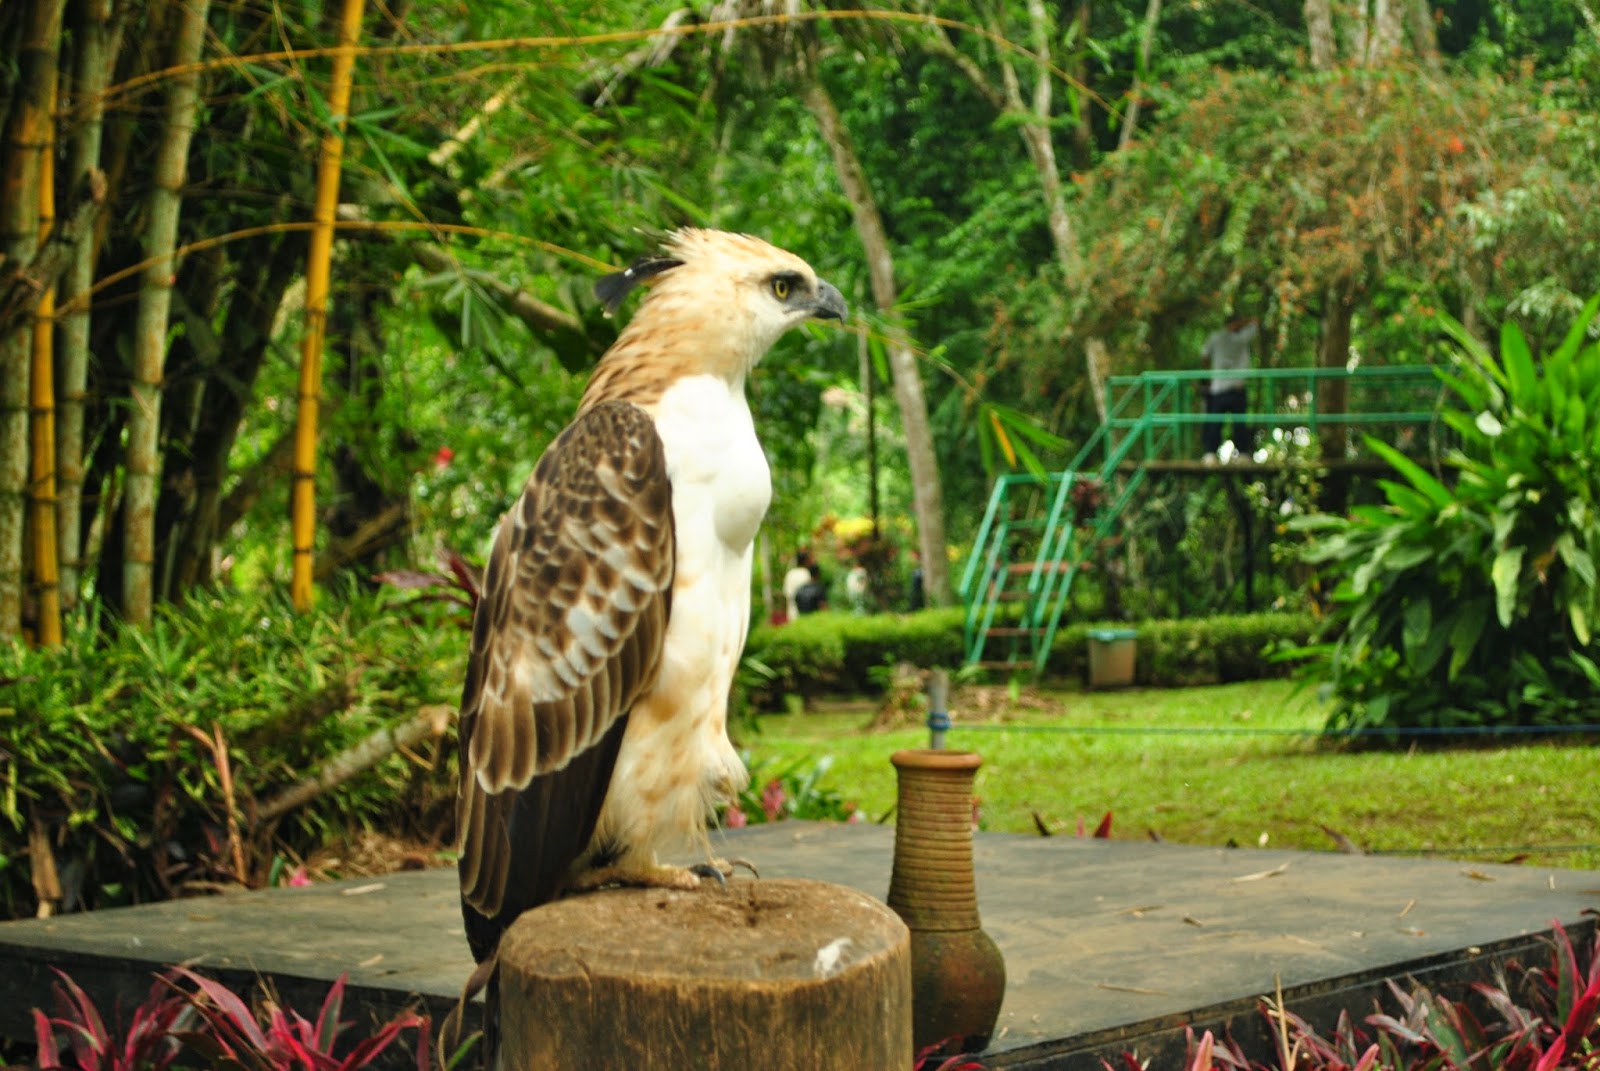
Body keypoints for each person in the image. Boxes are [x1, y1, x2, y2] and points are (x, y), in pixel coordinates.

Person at [1200, 314, 1258, 461]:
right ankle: (1239, 454)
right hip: (1229, 388)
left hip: (1222, 388)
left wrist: (1209, 375)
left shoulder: (1217, 337)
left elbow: (1204, 356)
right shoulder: (1239, 338)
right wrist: (1245, 322)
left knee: (1226, 423)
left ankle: (1212, 455)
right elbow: (1255, 322)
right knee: (1229, 423)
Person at [782, 550, 814, 623]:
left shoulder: (790, 574)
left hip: (792, 610)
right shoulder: (806, 573)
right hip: (805, 611)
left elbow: (786, 593)